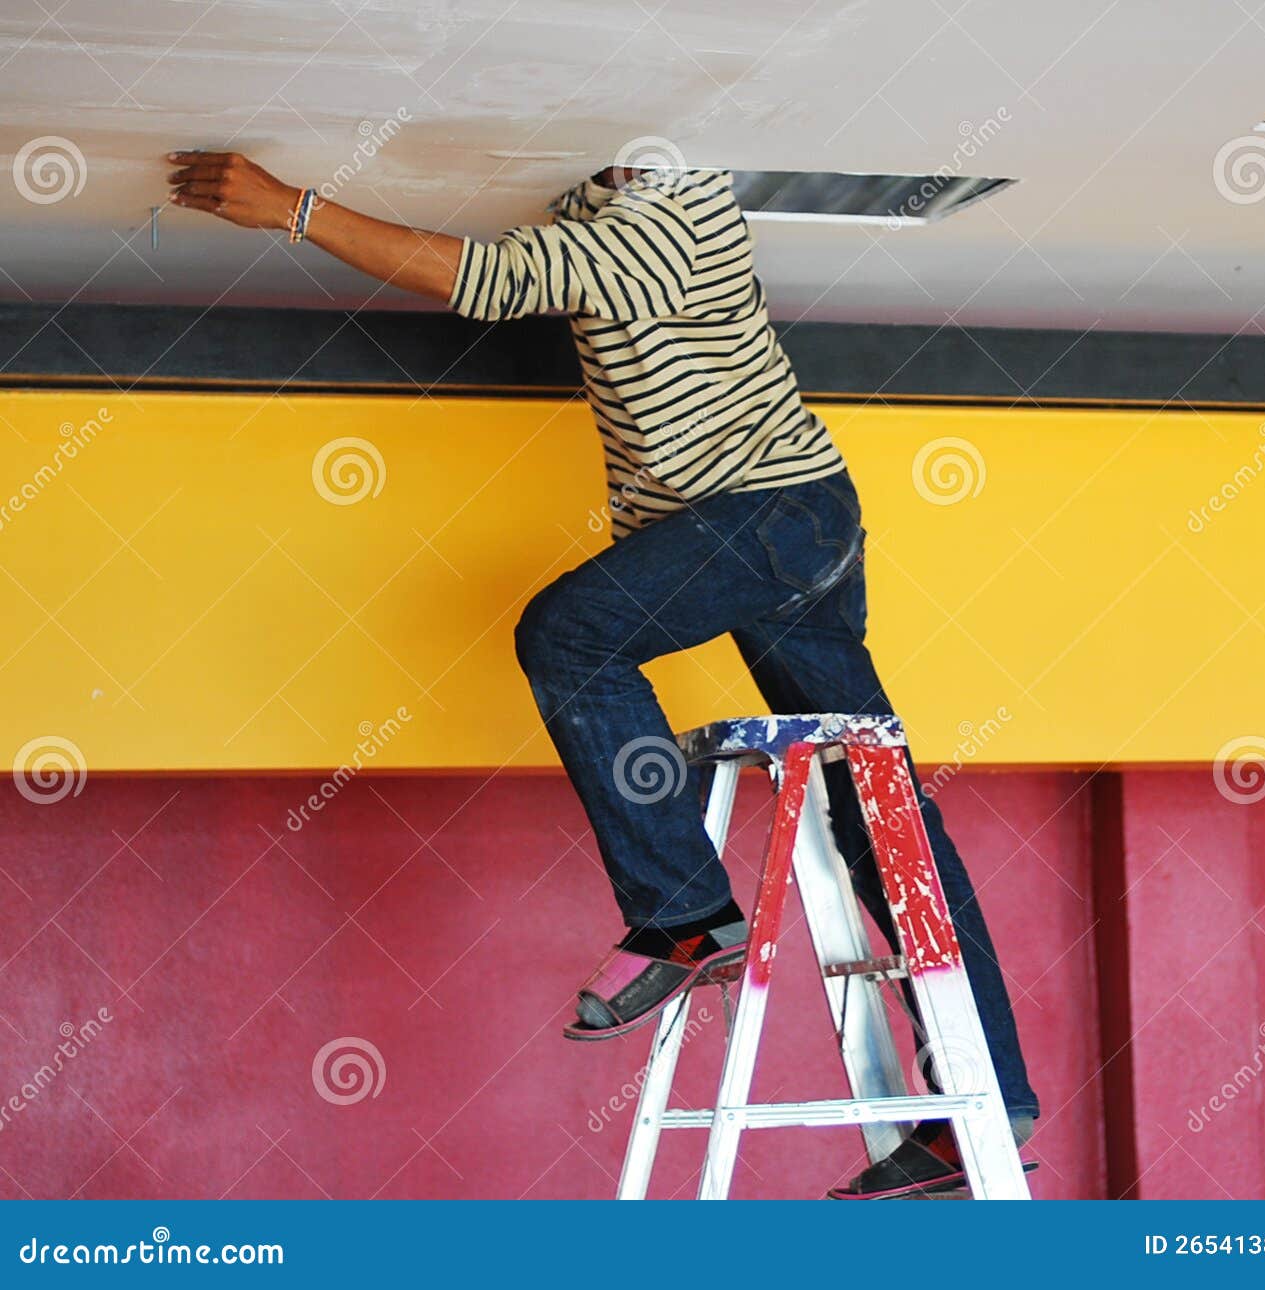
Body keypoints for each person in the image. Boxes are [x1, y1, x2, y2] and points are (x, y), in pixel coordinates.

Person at [166, 151, 1039, 1198]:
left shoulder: (663, 226)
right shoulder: (616, 220)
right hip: (792, 516)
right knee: (874, 806)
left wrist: (292, 208)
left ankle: (686, 913)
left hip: (766, 516)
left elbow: (485, 280)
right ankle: (984, 1099)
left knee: (568, 635)